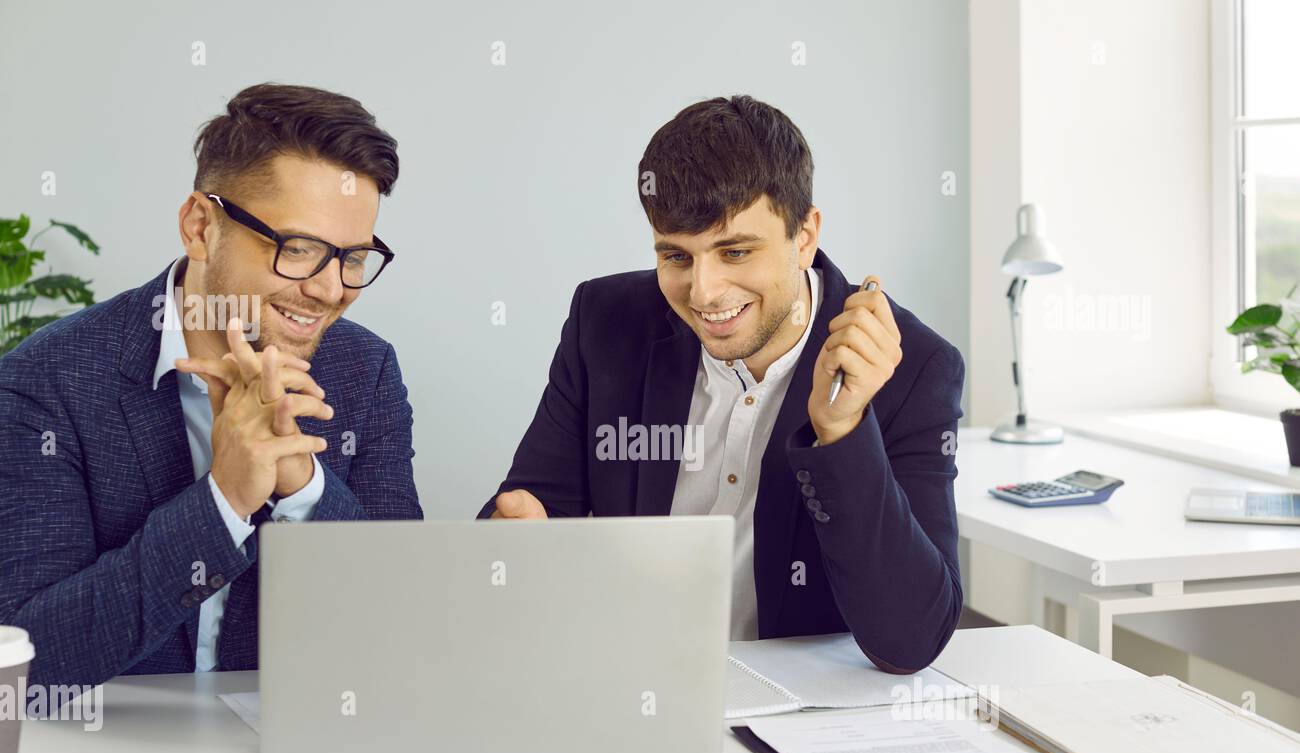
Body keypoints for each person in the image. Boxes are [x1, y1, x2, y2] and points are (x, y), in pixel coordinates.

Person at [481, 95, 964, 673]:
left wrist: (841, 431)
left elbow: (909, 641)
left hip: (799, 714)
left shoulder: (912, 368)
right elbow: (530, 513)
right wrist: (510, 542)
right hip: (630, 686)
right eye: (676, 257)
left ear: (805, 234)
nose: (704, 292)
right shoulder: (605, 322)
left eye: (735, 251)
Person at [0, 83, 422, 687]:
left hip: (296, 746)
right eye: (299, 248)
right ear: (200, 227)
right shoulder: (48, 380)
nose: (331, 290)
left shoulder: (367, 372)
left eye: (353, 258)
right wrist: (224, 498)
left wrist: (302, 484)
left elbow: (402, 620)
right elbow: (27, 664)